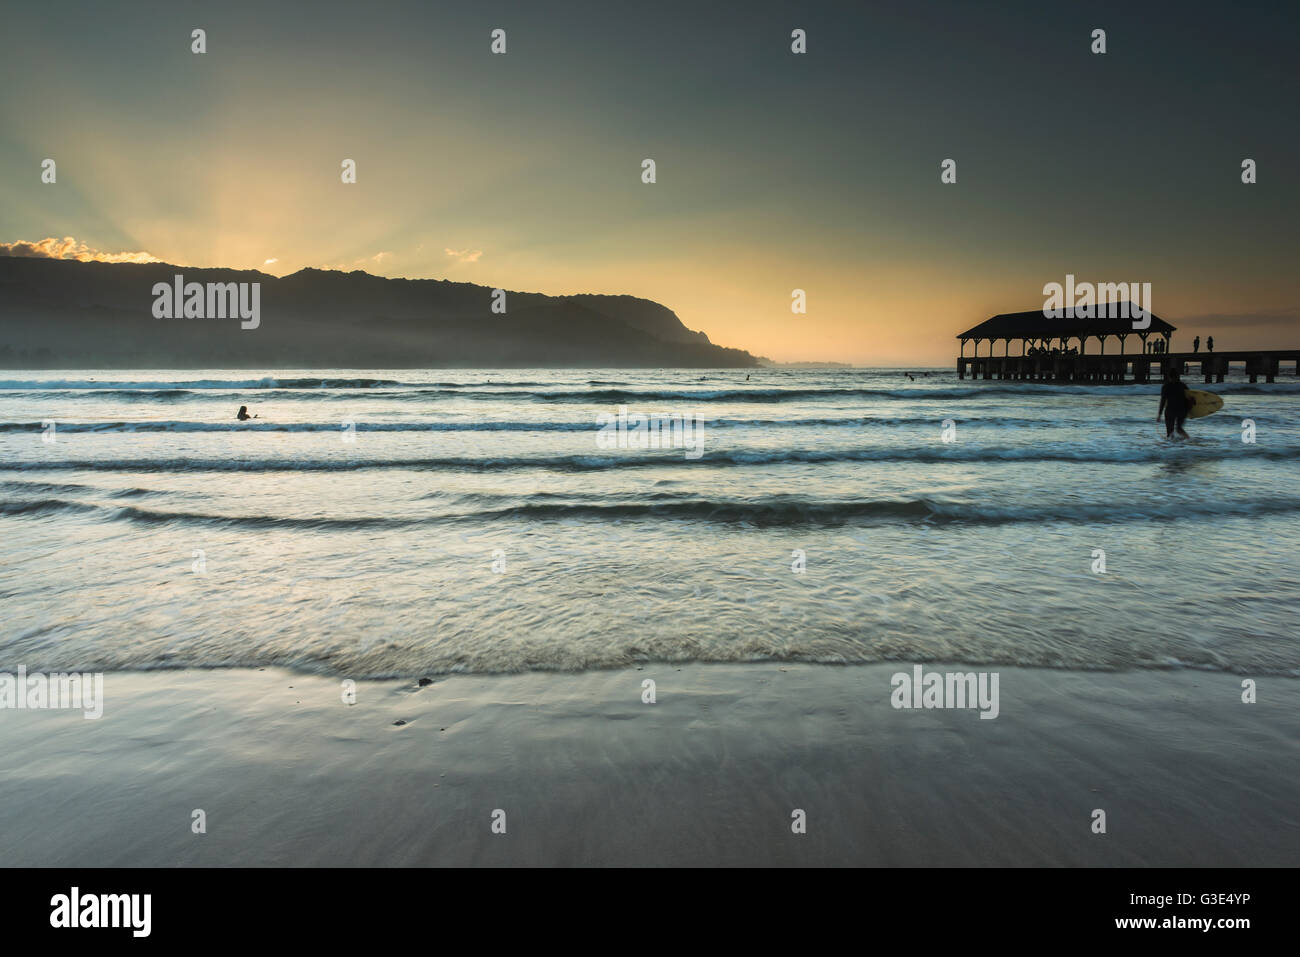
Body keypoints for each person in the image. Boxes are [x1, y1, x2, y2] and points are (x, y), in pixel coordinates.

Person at [1156, 368, 1192, 440]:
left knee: (1170, 432)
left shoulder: (1166, 386)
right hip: (1182, 410)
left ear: (1169, 376)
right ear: (1178, 376)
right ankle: (1189, 440)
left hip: (1171, 410)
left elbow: (1163, 400)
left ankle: (1171, 447)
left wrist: (1159, 414)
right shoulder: (1182, 385)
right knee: (1179, 429)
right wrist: (1189, 410)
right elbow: (1190, 397)